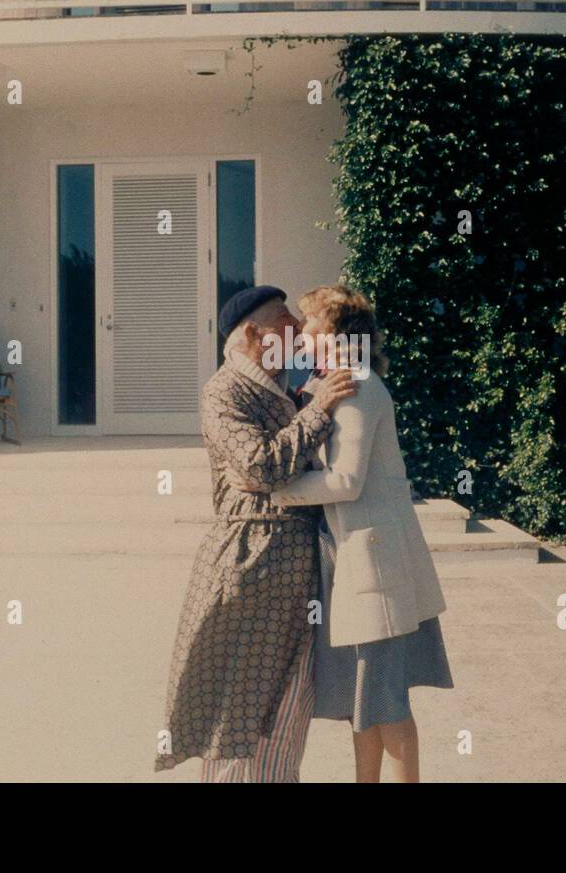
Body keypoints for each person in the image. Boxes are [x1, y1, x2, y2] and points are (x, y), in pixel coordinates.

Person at [155, 285, 357, 782]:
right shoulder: (224, 391)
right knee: (243, 716)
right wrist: (316, 411)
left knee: (285, 715)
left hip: (294, 572)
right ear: (252, 333)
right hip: (252, 570)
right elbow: (263, 467)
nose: (299, 331)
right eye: (286, 323)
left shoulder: (284, 389)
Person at [273, 284, 452, 783]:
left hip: (374, 565)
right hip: (352, 564)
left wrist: (275, 488)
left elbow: (346, 482)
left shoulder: (358, 386)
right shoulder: (331, 382)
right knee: (364, 701)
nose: (301, 333)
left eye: (308, 324)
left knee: (387, 702)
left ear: (331, 331)